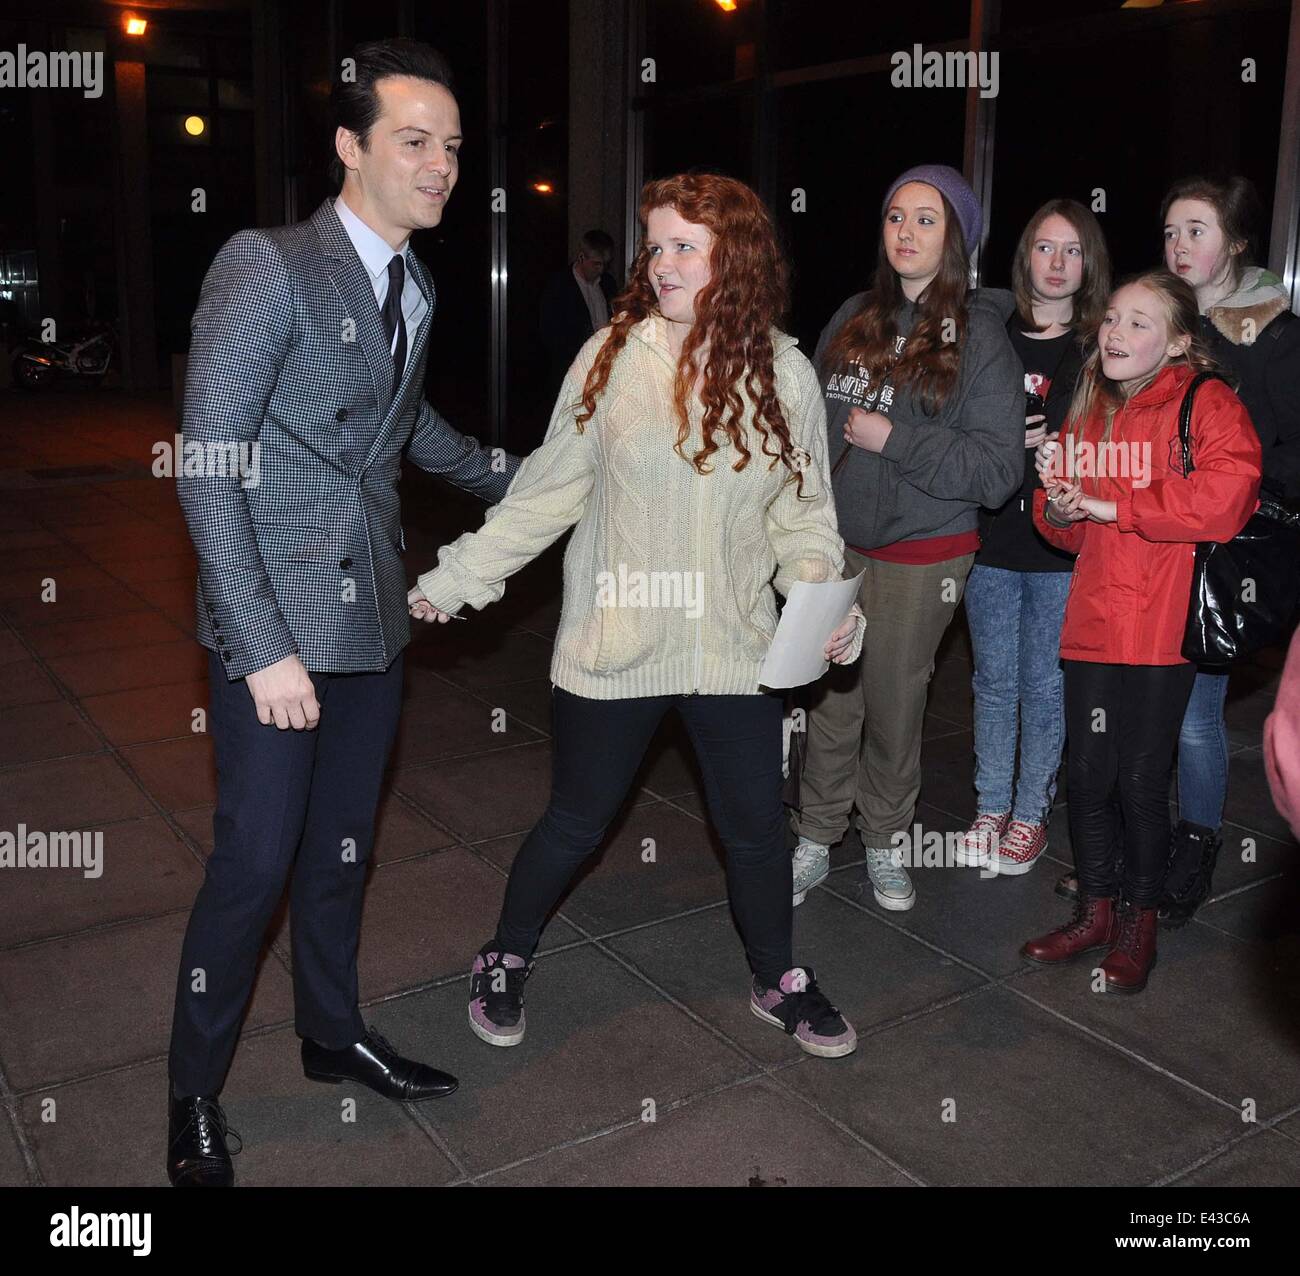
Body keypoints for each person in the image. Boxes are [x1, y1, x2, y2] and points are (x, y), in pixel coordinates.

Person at [167, 39, 521, 1187]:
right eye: (414, 141)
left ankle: (331, 1035)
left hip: (373, 621)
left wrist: (529, 477)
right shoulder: (268, 265)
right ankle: (192, 1093)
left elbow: (406, 432)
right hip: (275, 630)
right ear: (349, 146)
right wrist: (260, 645)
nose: (441, 166)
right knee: (252, 865)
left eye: (453, 148)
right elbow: (206, 464)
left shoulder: (415, 284)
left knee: (338, 857)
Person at [409, 172, 865, 1060]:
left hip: (735, 650)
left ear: (734, 258)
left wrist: (821, 596)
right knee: (577, 822)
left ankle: (777, 978)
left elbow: (804, 515)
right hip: (617, 644)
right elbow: (547, 494)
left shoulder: (787, 372)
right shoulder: (612, 357)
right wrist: (455, 577)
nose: (660, 263)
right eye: (654, 245)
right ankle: (503, 955)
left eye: (682, 246)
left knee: (756, 830)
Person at [788, 163, 1023, 911]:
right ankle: (815, 835)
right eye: (896, 216)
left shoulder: (980, 335)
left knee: (892, 705)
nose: (907, 231)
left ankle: (888, 842)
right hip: (835, 547)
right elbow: (813, 431)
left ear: (955, 236)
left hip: (924, 556)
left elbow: (996, 471)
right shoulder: (853, 315)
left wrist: (898, 441)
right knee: (828, 700)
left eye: (927, 218)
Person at [1023, 270, 1260, 994]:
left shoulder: (1205, 401)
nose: (1117, 333)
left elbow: (1226, 499)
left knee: (1139, 779)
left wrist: (1109, 504)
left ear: (1180, 341)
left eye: (1140, 323)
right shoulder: (1091, 405)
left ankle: (1139, 924)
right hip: (1094, 619)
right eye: (1113, 320)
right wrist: (1060, 504)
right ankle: (1095, 911)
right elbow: (1059, 529)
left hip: (1161, 627)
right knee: (1089, 777)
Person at [956, 200, 1110, 877]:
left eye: (1071, 250)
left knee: (1043, 686)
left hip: (1060, 544)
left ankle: (1030, 814)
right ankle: (990, 804)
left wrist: (1066, 449)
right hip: (989, 538)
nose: (1056, 263)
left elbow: (1121, 443)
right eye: (1045, 248)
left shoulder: (1102, 344)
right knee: (992, 681)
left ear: (1089, 264)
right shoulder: (987, 334)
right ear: (1025, 260)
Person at [539, 230, 618, 402]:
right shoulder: (559, 286)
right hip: (571, 372)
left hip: (602, 370)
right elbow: (549, 333)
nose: (601, 269)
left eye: (605, 264)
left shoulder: (609, 283)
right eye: (596, 264)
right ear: (582, 257)